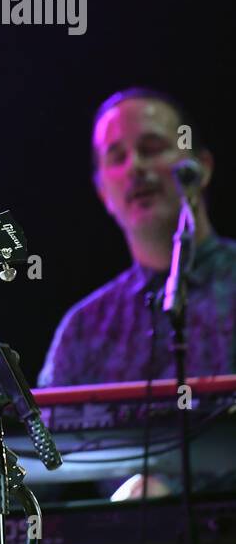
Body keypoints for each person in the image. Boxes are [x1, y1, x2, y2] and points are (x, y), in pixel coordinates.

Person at [39, 87, 235, 387]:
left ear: (202, 168)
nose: (135, 167)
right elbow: (50, 434)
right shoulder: (81, 329)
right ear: (103, 192)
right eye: (117, 157)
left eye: (152, 148)